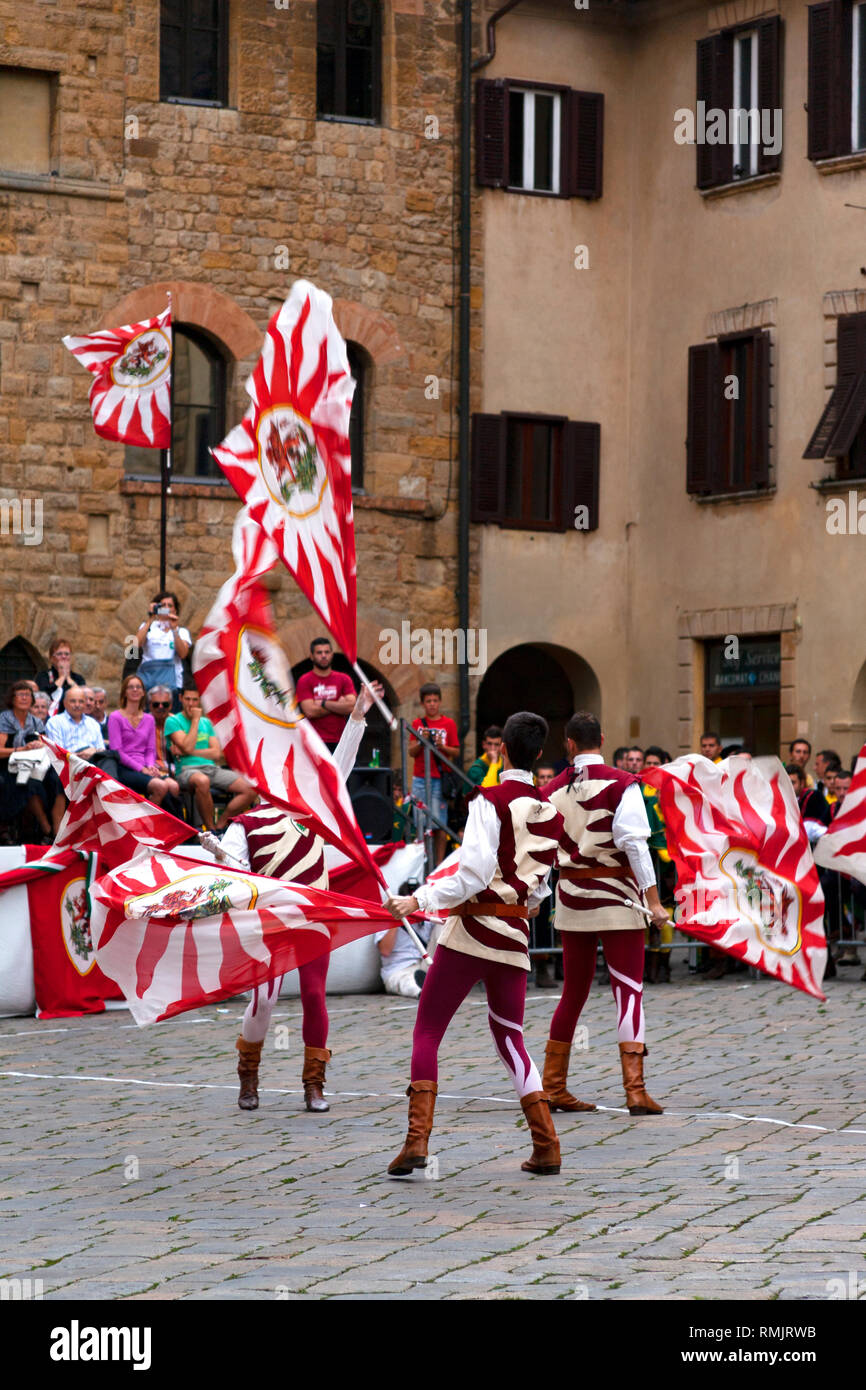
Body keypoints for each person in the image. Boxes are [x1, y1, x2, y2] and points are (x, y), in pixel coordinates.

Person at [385, 711, 565, 1179]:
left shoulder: (489, 800)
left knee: (427, 1032)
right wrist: (529, 899)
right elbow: (543, 881)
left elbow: (472, 874)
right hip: (515, 937)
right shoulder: (549, 811)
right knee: (511, 1037)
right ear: (539, 755)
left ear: (500, 748)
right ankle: (546, 1144)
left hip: (472, 932)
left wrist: (418, 899)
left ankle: (417, 1142)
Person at [223, 683, 383, 1112]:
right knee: (263, 1000)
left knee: (314, 995)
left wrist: (357, 715)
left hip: (312, 919)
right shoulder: (245, 825)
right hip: (269, 923)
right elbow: (234, 877)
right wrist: (221, 858)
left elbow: (339, 769)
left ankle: (315, 1082)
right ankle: (249, 1072)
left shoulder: (314, 810)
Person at [540, 711, 669, 1117]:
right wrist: (653, 900)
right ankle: (635, 1090)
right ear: (602, 738)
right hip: (618, 900)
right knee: (628, 990)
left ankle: (553, 1086)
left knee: (572, 994)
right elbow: (635, 843)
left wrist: (535, 896)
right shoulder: (622, 783)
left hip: (573, 899)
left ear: (570, 744)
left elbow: (542, 852)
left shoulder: (552, 791)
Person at [166, 687, 256, 831]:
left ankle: (221, 824)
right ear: (181, 699)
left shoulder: (206, 723)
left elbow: (216, 754)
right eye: (187, 699)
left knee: (251, 787)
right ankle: (210, 829)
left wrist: (188, 751)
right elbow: (187, 747)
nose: (191, 703)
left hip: (211, 768)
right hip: (186, 770)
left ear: (199, 701)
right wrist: (195, 720)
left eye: (195, 700)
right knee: (202, 781)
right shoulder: (173, 721)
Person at [0, 681, 65, 840]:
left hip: (35, 763)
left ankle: (59, 832)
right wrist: (21, 749)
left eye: (28, 695)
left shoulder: (35, 720)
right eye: (20, 695)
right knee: (30, 784)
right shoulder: (4, 718)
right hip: (9, 765)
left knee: (58, 780)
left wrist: (38, 743)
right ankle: (46, 829)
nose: (25, 698)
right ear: (12, 699)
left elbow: (45, 744)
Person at [108, 674, 181, 807]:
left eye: (138, 687)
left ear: (143, 692)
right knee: (160, 786)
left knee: (173, 786)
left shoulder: (149, 719)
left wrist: (150, 766)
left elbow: (150, 749)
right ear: (124, 692)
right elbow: (116, 751)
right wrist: (141, 769)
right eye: (131, 687)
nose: (135, 690)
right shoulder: (115, 717)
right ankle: (144, 824)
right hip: (124, 768)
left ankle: (170, 824)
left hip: (145, 767)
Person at [408, 683, 460, 865]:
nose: (432, 704)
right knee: (420, 823)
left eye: (435, 701)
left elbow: (456, 752)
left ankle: (438, 864)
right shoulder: (417, 724)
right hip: (420, 778)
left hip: (439, 778)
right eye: (428, 701)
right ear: (423, 703)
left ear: (440, 702)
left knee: (439, 824)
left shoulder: (449, 724)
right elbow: (411, 752)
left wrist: (441, 746)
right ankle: (422, 863)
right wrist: (422, 741)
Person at [295, 638, 356, 753]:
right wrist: (338, 704)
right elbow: (310, 711)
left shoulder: (344, 679)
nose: (323, 656)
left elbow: (351, 707)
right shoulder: (305, 680)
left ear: (332, 654)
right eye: (319, 652)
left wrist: (323, 703)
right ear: (311, 656)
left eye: (327, 652)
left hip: (341, 741)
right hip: (314, 741)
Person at [134, 591, 191, 709]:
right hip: (149, 682)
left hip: (172, 684)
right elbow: (136, 645)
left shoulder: (182, 631)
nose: (166, 608)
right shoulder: (147, 627)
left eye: (170, 606)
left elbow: (183, 653)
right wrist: (151, 618)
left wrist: (174, 629)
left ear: (175, 610)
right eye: (162, 605)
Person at [36, 639, 86, 716]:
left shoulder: (78, 678)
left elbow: (83, 695)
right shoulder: (43, 676)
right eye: (59, 654)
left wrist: (69, 679)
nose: (63, 657)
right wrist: (62, 677)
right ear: (51, 658)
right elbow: (44, 694)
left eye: (67, 654)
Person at [147, 685, 175, 772]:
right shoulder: (142, 723)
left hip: (175, 767)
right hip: (150, 768)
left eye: (165, 704)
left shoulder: (177, 723)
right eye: (156, 704)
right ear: (150, 705)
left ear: (170, 705)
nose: (160, 707)